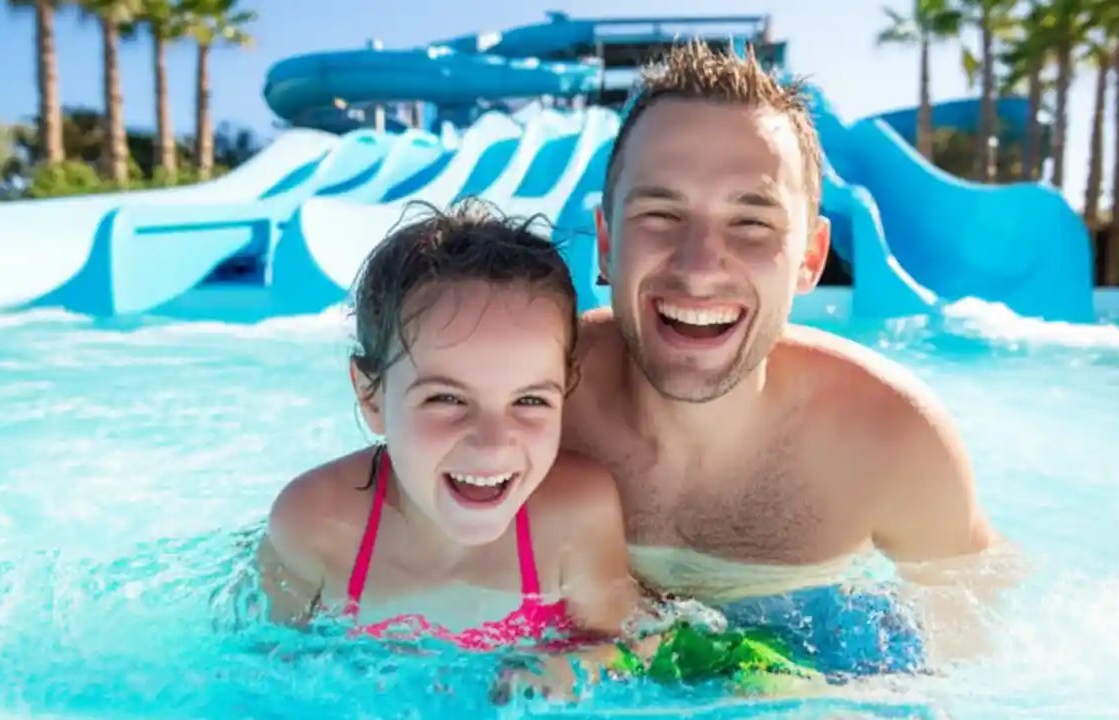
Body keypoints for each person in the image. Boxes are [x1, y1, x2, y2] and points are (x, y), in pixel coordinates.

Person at [562, 41, 1013, 678]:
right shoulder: (533, 402)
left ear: (810, 259)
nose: (697, 268)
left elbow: (978, 632)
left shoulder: (890, 440)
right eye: (660, 214)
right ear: (606, 246)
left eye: (751, 224)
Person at [254, 200, 639, 653]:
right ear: (370, 395)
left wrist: (572, 668)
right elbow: (263, 667)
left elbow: (625, 648)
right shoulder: (314, 525)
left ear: (566, 391)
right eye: (447, 399)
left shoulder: (575, 516)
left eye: (530, 400)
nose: (493, 443)